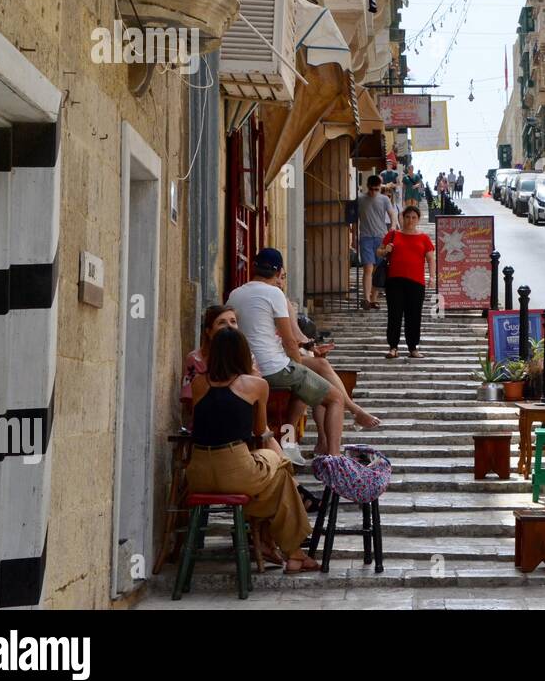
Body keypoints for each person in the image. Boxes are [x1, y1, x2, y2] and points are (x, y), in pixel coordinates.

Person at [185, 327, 319, 574]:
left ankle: (279, 546)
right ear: (243, 354)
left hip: (198, 473)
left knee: (278, 482)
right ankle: (293, 552)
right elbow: (260, 430)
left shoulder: (198, 384)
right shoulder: (256, 385)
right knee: (281, 468)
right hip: (235, 468)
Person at [226, 249, 379, 459]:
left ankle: (314, 441)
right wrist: (298, 365)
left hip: (247, 366)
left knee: (318, 371)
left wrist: (305, 352)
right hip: (273, 368)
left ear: (254, 267)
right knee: (334, 398)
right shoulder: (274, 294)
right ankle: (335, 459)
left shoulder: (235, 294)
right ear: (279, 272)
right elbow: (290, 340)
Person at [377, 205, 434, 359]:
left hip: (416, 282)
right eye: (407, 217)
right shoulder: (393, 235)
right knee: (394, 314)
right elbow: (379, 251)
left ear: (418, 219)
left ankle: (413, 347)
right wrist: (385, 250)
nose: (410, 220)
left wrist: (432, 277)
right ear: (402, 217)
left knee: (414, 315)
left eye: (413, 217)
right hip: (395, 280)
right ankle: (393, 347)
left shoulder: (424, 238)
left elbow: (430, 259)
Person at [355, 175, 397, 310]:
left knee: (379, 269)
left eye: (376, 189)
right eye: (371, 189)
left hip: (381, 237)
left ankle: (373, 299)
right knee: (368, 267)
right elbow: (354, 218)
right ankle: (366, 299)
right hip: (366, 237)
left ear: (380, 187)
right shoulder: (360, 199)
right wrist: (355, 237)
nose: (373, 192)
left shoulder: (384, 199)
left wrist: (393, 226)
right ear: (367, 187)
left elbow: (392, 214)